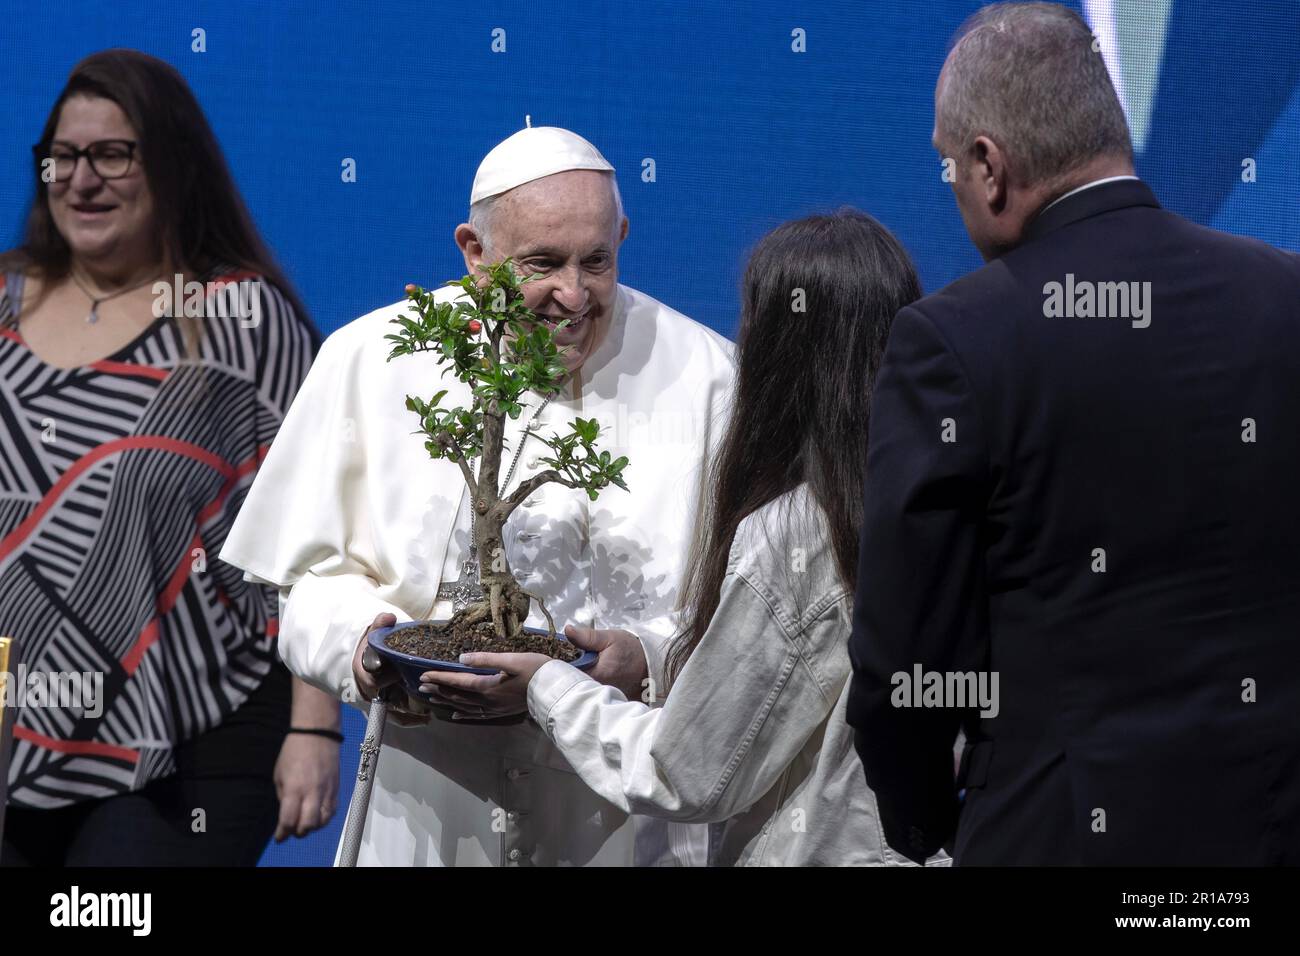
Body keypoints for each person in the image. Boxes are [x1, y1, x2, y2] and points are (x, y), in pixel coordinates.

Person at [846, 2, 1300, 865]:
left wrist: (922, 822)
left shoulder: (953, 342)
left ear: (988, 165)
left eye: (948, 167)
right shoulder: (1286, 296)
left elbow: (909, 660)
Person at [221, 125, 736, 866]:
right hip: (432, 795)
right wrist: (371, 651)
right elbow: (306, 591)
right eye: (542, 264)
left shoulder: (711, 376)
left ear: (623, 234)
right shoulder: (372, 361)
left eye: (598, 260)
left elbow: (747, 614)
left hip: (620, 813)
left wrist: (645, 660)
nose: (573, 294)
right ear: (473, 251)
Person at [425, 210, 948, 866]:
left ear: (776, 347)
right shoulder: (950, 493)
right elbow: (800, 673)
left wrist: (546, 687)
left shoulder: (799, 533)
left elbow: (683, 773)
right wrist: (653, 661)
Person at [0, 49, 339, 865]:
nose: (83, 179)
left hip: (195, 746)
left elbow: (321, 533)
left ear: (172, 165)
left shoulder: (242, 321)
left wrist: (314, 726)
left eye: (114, 154)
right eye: (64, 156)